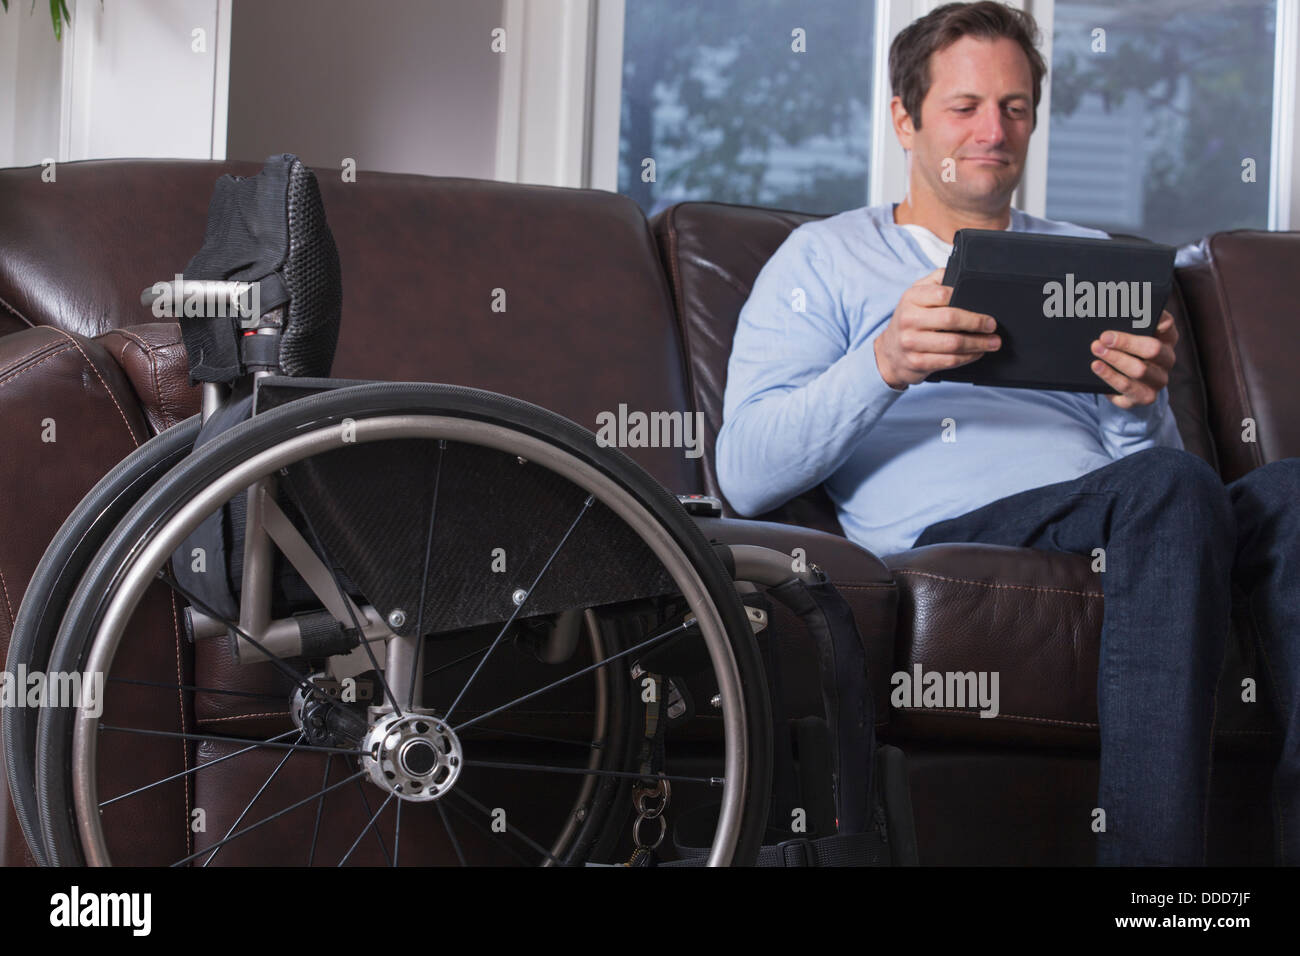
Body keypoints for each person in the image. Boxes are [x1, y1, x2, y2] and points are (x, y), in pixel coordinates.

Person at [716, 0, 1299, 866]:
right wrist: (882, 362)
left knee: (1287, 490)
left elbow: (1169, 487)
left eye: (1015, 107)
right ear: (905, 119)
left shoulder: (1089, 255)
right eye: (965, 107)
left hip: (1123, 511)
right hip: (962, 527)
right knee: (1170, 494)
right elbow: (744, 474)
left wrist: (1138, 405)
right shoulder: (825, 259)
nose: (995, 130)